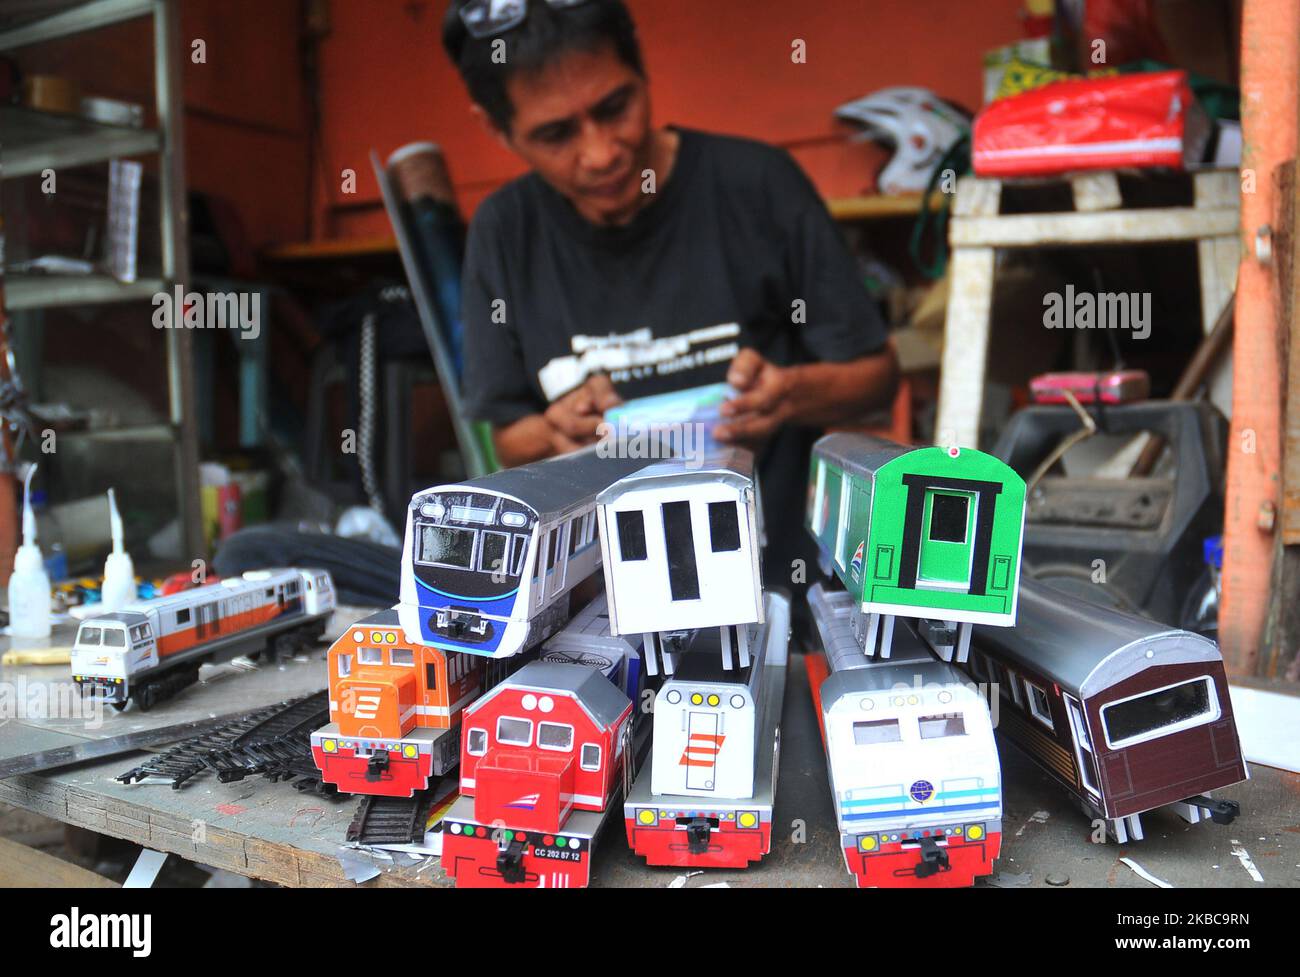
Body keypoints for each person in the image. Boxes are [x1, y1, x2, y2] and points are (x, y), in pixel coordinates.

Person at [443, 0, 898, 586]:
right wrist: (559, 431)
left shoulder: (758, 185)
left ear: (643, 72)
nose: (602, 152)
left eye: (616, 107)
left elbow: (877, 376)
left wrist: (789, 396)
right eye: (555, 134)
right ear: (496, 129)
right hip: (603, 594)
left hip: (779, 582)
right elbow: (510, 438)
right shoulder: (504, 232)